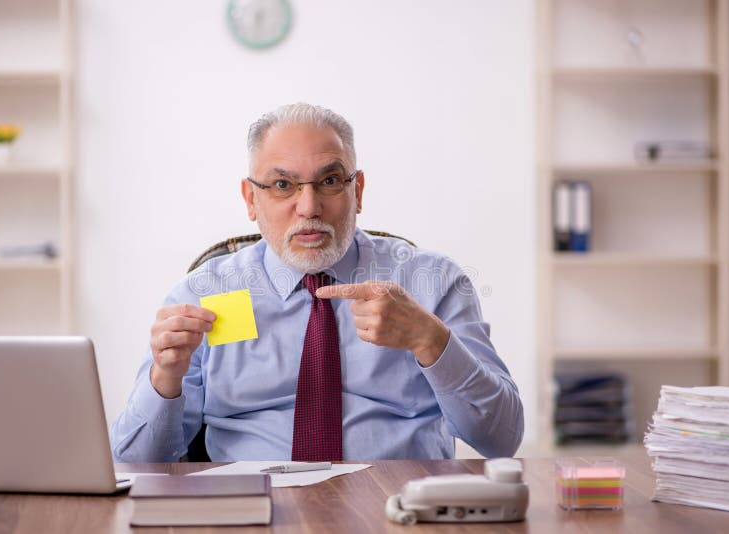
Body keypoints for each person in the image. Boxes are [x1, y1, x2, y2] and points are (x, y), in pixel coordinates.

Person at [109, 103, 523, 462]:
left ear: (358, 191)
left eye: (329, 181)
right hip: (253, 508)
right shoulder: (206, 294)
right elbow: (137, 464)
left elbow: (501, 440)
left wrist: (431, 341)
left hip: (395, 506)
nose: (308, 207)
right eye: (282, 185)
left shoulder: (432, 282)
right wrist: (165, 378)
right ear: (251, 200)